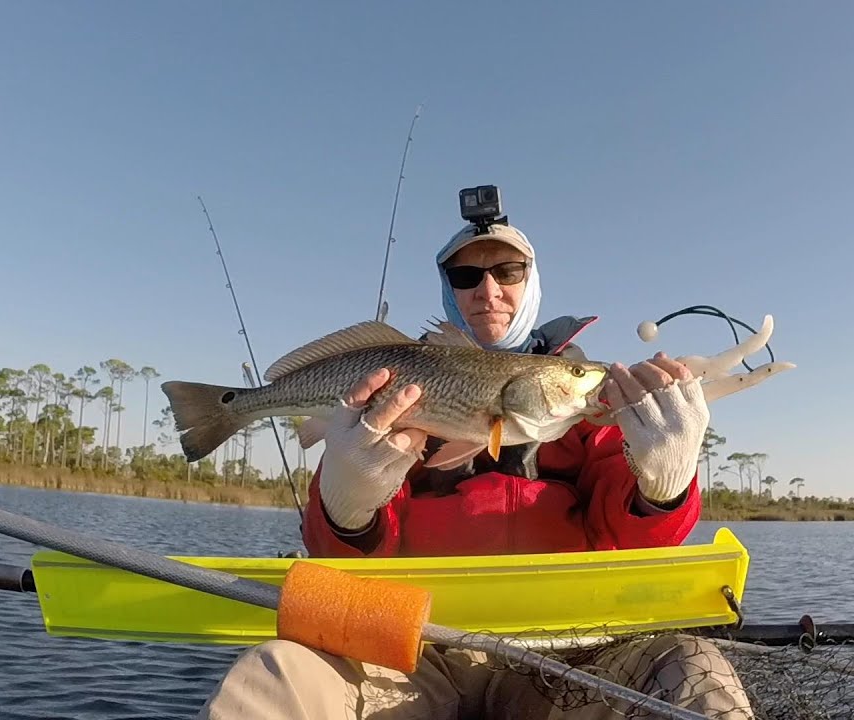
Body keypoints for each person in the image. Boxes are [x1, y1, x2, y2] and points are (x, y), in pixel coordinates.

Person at [196, 216, 756, 719]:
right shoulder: (396, 385)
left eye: (508, 270)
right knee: (277, 675)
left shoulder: (596, 409)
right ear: (449, 292)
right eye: (466, 278)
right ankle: (228, 407)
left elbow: (635, 546)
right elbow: (338, 559)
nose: (489, 291)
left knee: (691, 669)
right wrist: (347, 501)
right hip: (414, 651)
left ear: (531, 281)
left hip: (573, 654)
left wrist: (664, 485)